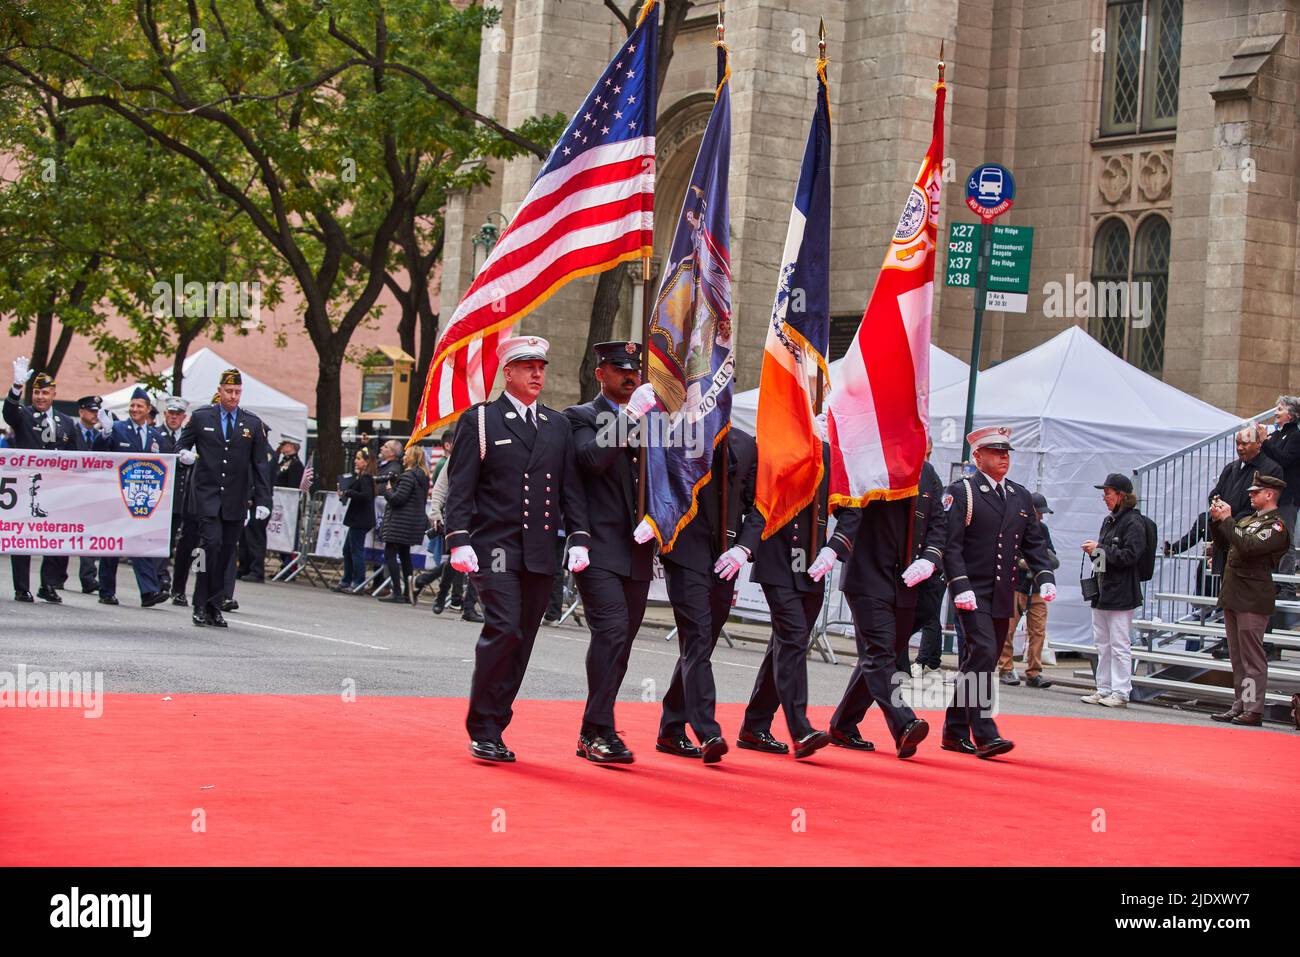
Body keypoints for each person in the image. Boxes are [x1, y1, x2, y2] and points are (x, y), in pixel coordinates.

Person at [446, 335, 591, 763]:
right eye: (528, 366)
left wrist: (579, 536)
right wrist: (458, 538)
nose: (537, 374)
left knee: (523, 639)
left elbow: (570, 490)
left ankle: (496, 723)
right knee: (504, 628)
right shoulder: (483, 421)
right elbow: (461, 486)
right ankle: (483, 726)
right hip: (495, 548)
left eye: (541, 367)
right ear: (507, 372)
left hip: (540, 551)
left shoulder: (556, 425)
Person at [821, 442, 945, 759]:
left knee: (882, 653)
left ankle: (843, 724)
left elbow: (937, 525)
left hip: (906, 581)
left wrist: (930, 558)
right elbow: (846, 506)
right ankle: (903, 724)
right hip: (867, 575)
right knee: (880, 652)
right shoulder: (870, 464)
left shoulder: (929, 474)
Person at [564, 340, 657, 764]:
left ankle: (593, 730)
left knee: (624, 642)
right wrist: (630, 416)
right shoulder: (580, 417)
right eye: (619, 369)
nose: (630, 375)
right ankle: (599, 728)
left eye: (634, 369)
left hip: (637, 549)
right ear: (601, 373)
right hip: (597, 547)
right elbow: (591, 460)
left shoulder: (654, 423)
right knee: (613, 630)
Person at [941, 426, 1057, 758]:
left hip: (1001, 593)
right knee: (981, 653)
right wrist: (959, 585)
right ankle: (985, 733)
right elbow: (951, 546)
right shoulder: (963, 492)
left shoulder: (1019, 495)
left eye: (1006, 452)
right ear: (978, 456)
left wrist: (1045, 574)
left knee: (982, 660)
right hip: (971, 591)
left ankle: (954, 730)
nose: (1003, 457)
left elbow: (1033, 542)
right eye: (995, 452)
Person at [650, 427, 761, 766]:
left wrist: (744, 547)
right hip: (686, 554)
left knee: (703, 643)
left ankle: (671, 729)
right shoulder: (679, 434)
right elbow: (659, 488)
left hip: (726, 558)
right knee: (697, 637)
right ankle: (707, 729)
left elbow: (758, 503)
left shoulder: (745, 444)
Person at [733, 433, 844, 760]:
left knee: (785, 644)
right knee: (793, 636)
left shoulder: (829, 453)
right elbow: (754, 497)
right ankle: (800, 727)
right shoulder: (772, 442)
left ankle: (754, 726)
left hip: (813, 564)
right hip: (777, 559)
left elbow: (851, 509)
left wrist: (834, 548)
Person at [176, 368, 273, 627]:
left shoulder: (252, 423)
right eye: (229, 391)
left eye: (238, 392)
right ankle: (199, 603)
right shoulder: (200, 417)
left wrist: (264, 500)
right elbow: (182, 444)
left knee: (227, 552)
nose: (233, 396)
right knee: (210, 546)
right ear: (219, 391)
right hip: (207, 495)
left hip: (236, 498)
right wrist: (183, 454)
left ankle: (214, 605)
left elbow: (260, 465)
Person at [1208, 473, 1289, 726]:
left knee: (1252, 658)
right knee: (1238, 658)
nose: (1251, 495)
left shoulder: (1276, 526)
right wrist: (1217, 521)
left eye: (1256, 492)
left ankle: (1253, 709)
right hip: (1235, 594)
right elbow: (1225, 542)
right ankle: (1240, 704)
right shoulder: (1247, 520)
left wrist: (1229, 520)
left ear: (1269, 494)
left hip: (1252, 598)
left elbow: (1250, 547)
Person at [4, 358, 87, 603]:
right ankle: (22, 587)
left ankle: (48, 584)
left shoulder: (66, 421)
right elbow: (8, 413)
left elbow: (78, 455)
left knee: (56, 537)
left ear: (54, 393)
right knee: (24, 537)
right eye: (37, 392)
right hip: (26, 486)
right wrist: (17, 387)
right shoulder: (23, 415)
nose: (40, 397)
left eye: (45, 392)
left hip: (56, 489)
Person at [94, 386, 168, 607]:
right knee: (113, 544)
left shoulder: (156, 436)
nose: (134, 409)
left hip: (142, 499)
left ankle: (148, 592)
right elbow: (98, 452)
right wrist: (104, 434)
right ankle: (106, 590)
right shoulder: (117, 428)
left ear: (148, 410)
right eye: (132, 405)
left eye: (139, 406)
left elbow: (165, 464)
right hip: (117, 495)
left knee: (140, 542)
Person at [1079, 473, 1147, 708]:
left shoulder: (1133, 522)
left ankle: (1120, 691)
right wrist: (1097, 555)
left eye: (1108, 493)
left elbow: (1131, 556)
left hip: (1121, 592)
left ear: (1121, 495)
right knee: (1103, 643)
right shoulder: (1110, 521)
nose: (1104, 497)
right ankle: (1104, 687)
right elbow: (1107, 558)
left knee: (1119, 643)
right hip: (1103, 589)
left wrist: (1101, 549)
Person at [998, 491, 1059, 688]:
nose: (1040, 516)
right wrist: (1021, 562)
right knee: (1008, 629)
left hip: (1036, 586)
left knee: (1038, 631)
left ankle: (1034, 671)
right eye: (1038, 512)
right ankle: (1006, 668)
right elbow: (1004, 554)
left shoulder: (1042, 529)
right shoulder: (1013, 526)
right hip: (1017, 584)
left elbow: (1052, 557)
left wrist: (1034, 562)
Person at [378, 445, 430, 603]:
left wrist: (388, 489)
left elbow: (397, 499)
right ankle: (408, 593)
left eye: (407, 454)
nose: (404, 457)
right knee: (405, 556)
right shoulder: (422, 477)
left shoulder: (408, 476)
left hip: (400, 522)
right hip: (412, 523)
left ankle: (397, 591)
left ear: (413, 458)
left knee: (390, 554)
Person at [1261, 396, 1300, 589]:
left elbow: (1284, 459)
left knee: (1286, 539)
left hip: (1287, 497)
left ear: (1291, 415)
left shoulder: (1296, 436)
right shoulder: (1276, 436)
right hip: (1271, 497)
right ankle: (1273, 583)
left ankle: (1287, 586)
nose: (1275, 412)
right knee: (1272, 538)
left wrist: (1265, 443)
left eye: (1280, 409)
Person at [71, 395, 108, 594]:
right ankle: (56, 577)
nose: (95, 415)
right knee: (67, 532)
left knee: (90, 533)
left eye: (97, 412)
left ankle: (88, 577)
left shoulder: (100, 435)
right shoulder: (71, 432)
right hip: (72, 491)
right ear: (81, 412)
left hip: (95, 491)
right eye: (91, 411)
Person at [155, 396, 191, 596]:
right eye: (171, 414)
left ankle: (162, 572)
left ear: (184, 417)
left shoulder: (187, 437)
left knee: (170, 538)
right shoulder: (157, 434)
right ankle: (159, 573)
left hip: (179, 497)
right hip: (160, 497)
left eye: (178, 414)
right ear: (165, 414)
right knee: (158, 537)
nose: (174, 418)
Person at [334, 448, 376, 592]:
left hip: (361, 519)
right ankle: (347, 579)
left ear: (366, 462)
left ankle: (358, 581)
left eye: (359, 459)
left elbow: (365, 496)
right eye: (356, 458)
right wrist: (345, 491)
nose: (355, 461)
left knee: (356, 550)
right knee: (347, 549)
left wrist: (349, 492)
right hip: (356, 519)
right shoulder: (360, 477)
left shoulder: (366, 478)